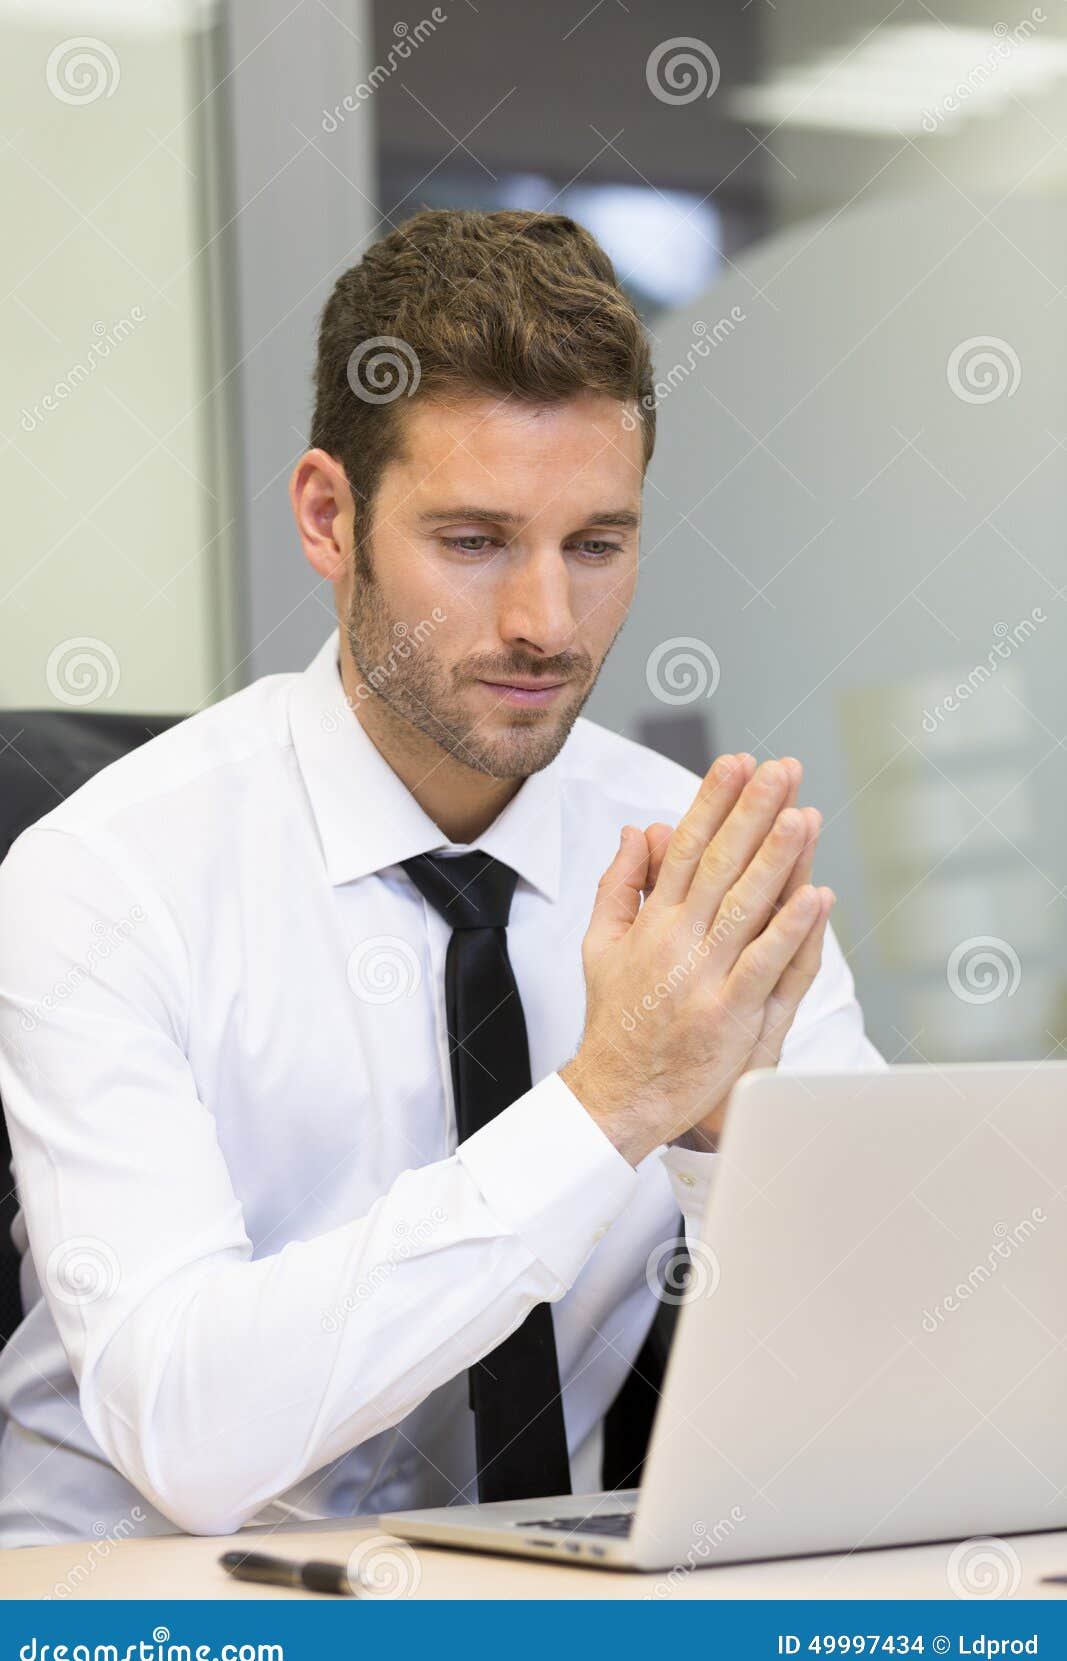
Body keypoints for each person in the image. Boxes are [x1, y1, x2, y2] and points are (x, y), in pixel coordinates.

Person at [0, 209, 882, 1547]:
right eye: (473, 541)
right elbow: (193, 1433)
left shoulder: (694, 861)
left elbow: (887, 1373)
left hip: (526, 1608)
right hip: (148, 1614)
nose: (545, 620)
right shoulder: (105, 880)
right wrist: (609, 1100)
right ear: (326, 517)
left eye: (597, 543)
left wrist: (720, 1147)